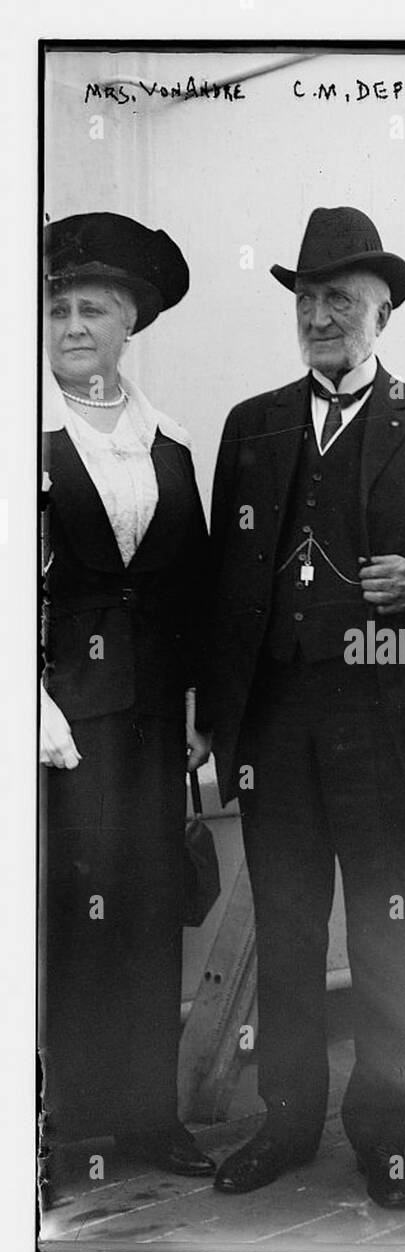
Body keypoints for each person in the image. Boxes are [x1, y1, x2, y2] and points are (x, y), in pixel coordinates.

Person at [202, 206, 405, 1207]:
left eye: (340, 300)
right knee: (284, 927)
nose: (319, 315)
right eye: (307, 299)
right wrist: (211, 728)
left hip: (385, 723)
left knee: (384, 935)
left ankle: (383, 1135)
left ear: (382, 310)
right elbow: (220, 586)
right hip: (273, 724)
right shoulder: (253, 424)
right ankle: (283, 1122)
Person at [41, 212, 215, 1184]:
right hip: (59, 727)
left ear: (128, 323)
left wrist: (195, 717)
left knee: (148, 915)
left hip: (152, 728)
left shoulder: (171, 446)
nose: (71, 323)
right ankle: (66, 1130)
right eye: (58, 306)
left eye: (92, 307)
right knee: (73, 917)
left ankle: (151, 1122)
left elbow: (185, 592)